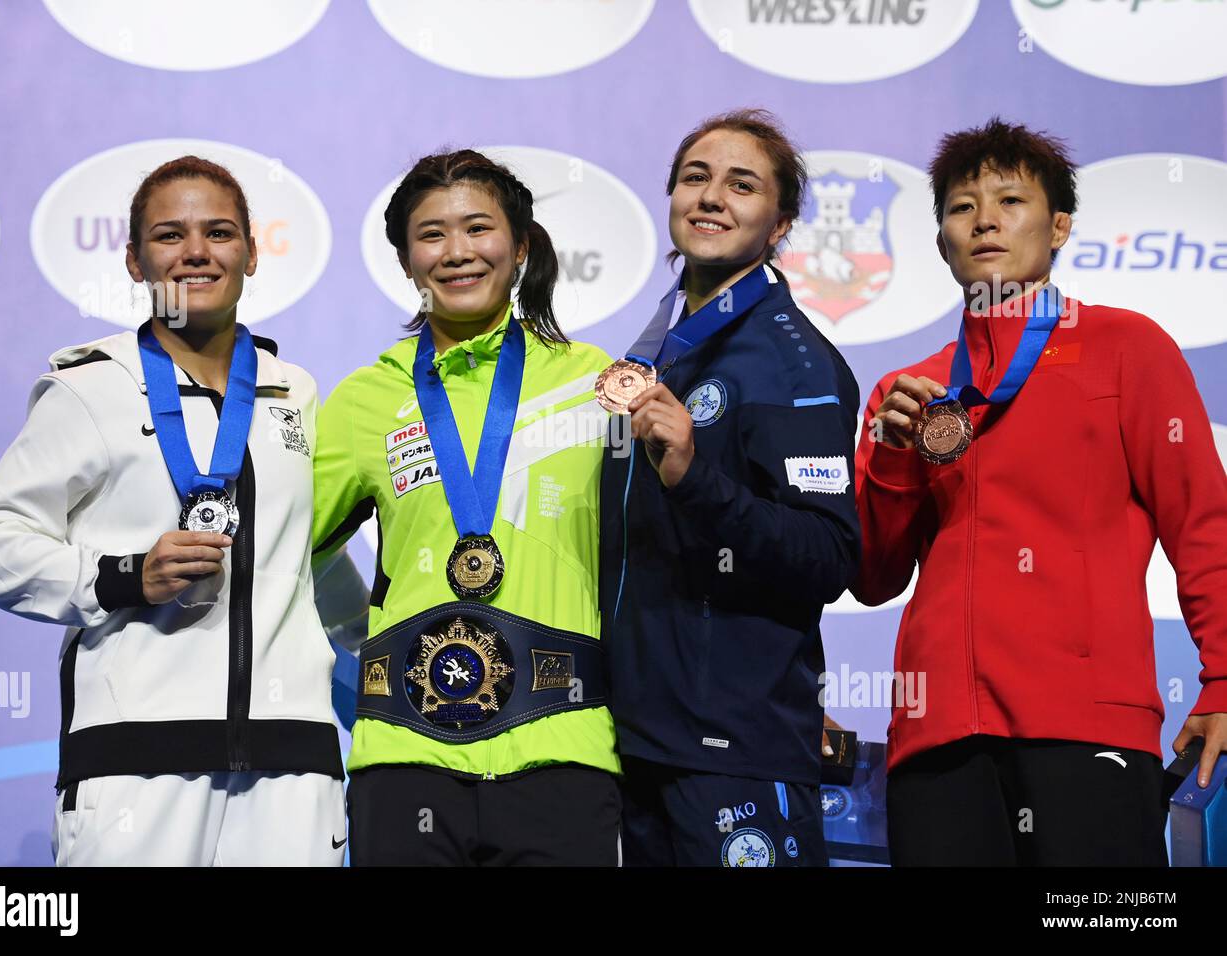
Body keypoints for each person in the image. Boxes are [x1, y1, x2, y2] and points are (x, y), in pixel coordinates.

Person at [851, 117, 1227, 866]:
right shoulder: (908, 393)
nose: (984, 219)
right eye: (962, 206)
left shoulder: (1127, 348)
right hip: (937, 741)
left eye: (1010, 200)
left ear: (1058, 227)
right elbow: (873, 577)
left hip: (1086, 730)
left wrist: (1222, 677)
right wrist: (893, 458)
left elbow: (1204, 524)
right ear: (941, 242)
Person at [0, 156, 346, 866]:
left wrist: (386, 640)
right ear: (134, 261)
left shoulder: (296, 391)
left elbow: (309, 552)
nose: (196, 251)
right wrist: (123, 575)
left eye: (220, 232)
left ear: (253, 252)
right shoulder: (90, 390)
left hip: (291, 764)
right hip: (135, 761)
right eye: (170, 235)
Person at [312, 149, 621, 866]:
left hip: (564, 753)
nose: (457, 252)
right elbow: (287, 551)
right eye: (431, 235)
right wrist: (361, 640)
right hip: (404, 759)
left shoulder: (596, 386)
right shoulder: (365, 399)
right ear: (406, 260)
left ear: (519, 248)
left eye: (478, 228)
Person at [599, 109, 862, 867]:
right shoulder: (653, 351)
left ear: (779, 224)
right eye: (695, 178)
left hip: (736, 751)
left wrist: (694, 479)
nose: (712, 197)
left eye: (741, 186)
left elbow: (829, 554)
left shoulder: (795, 365)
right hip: (638, 743)